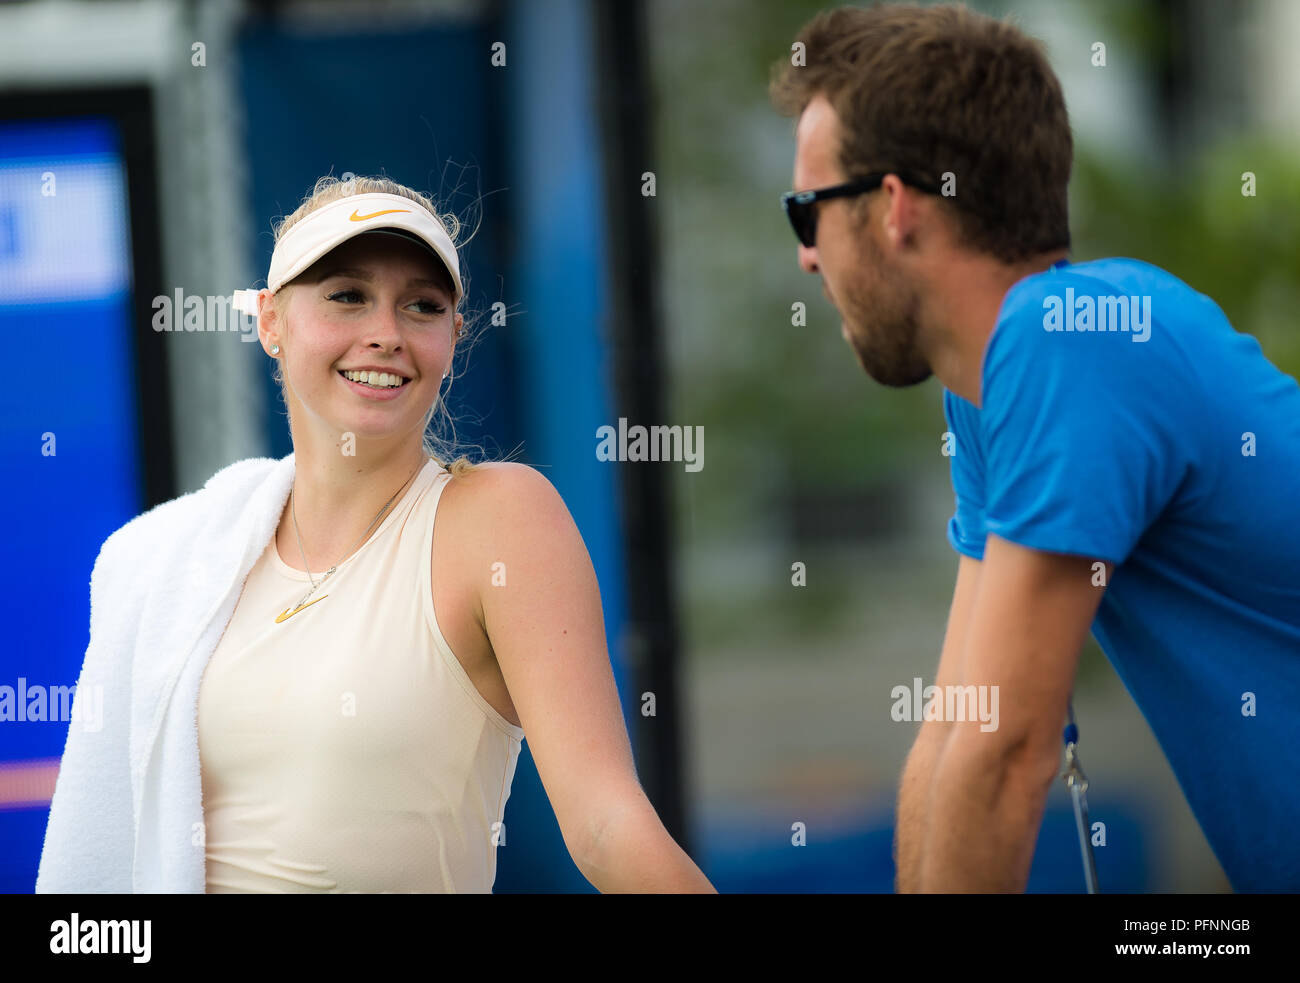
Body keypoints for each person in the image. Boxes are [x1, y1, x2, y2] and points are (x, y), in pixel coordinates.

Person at [36, 174, 714, 894]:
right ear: (270, 321)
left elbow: (608, 825)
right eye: (347, 295)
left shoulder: (502, 520)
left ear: (454, 337)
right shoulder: (175, 555)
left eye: (421, 306)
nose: (385, 334)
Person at [770, 4, 1300, 892]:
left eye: (805, 211)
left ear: (894, 206)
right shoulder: (994, 386)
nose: (806, 260)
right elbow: (956, 729)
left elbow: (1009, 757)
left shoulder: (1068, 338)